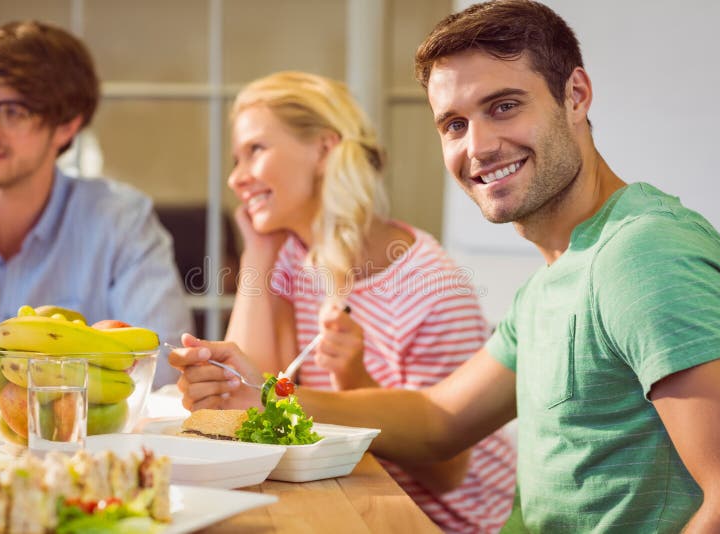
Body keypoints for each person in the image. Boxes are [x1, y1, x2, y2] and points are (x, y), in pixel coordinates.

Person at [171, 0, 720, 531]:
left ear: (577, 95)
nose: (480, 146)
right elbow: (440, 420)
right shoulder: (557, 274)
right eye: (454, 125)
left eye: (504, 106)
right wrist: (264, 394)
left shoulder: (642, 257)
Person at [200, 71, 514, 533]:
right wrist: (258, 253)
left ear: (324, 148)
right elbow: (247, 399)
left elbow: (447, 472)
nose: (235, 178)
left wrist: (354, 376)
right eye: (236, 158)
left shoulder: (431, 286)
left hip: (450, 523)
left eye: (255, 151)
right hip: (355, 501)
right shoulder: (290, 257)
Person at [0, 20, 193, 386]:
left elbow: (161, 366)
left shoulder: (122, 222)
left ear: (67, 126)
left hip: (79, 442)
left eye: (14, 111)